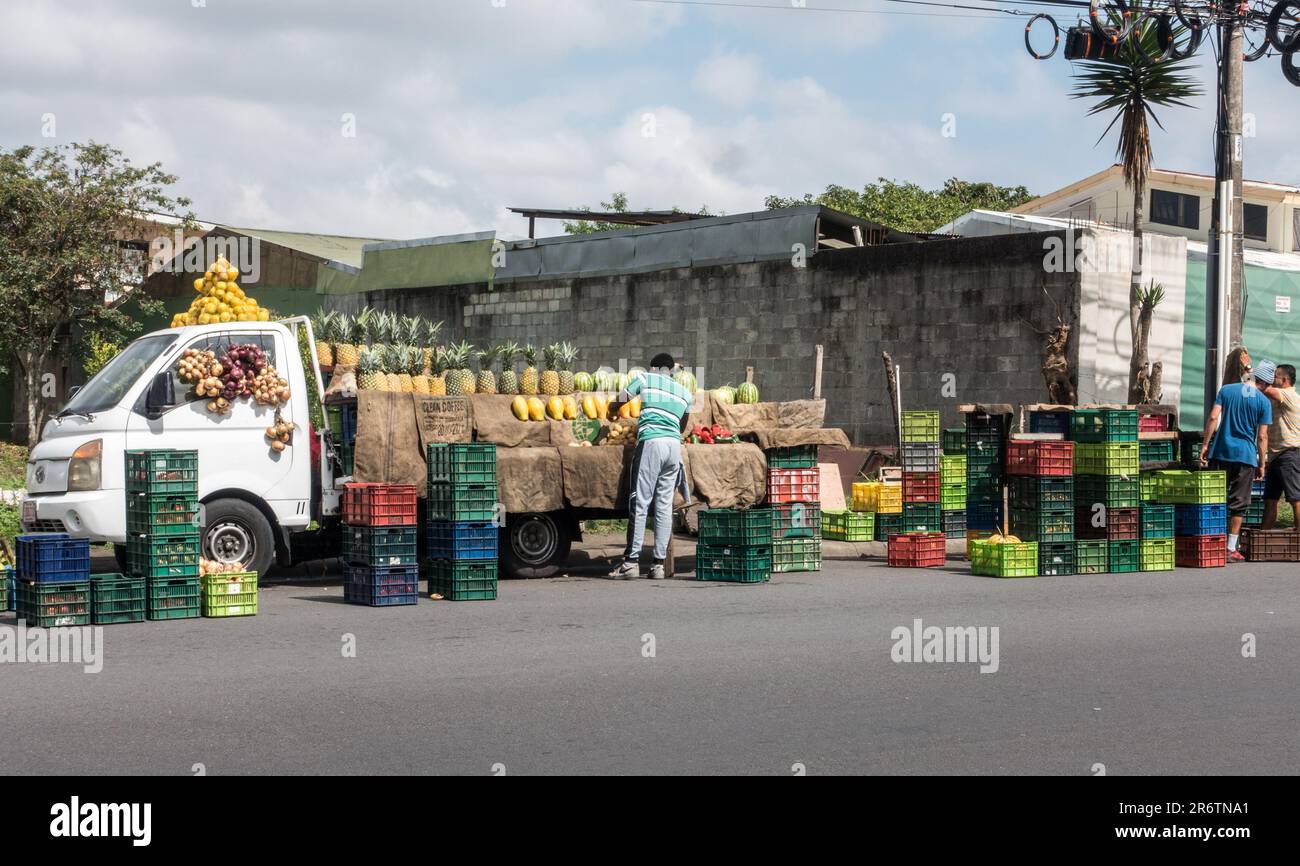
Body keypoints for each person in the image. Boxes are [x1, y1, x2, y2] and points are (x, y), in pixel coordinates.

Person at [607, 354, 693, 580]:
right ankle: (657, 566)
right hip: (674, 448)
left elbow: (620, 400)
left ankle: (631, 563)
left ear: (654, 368)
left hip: (651, 443)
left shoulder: (646, 379)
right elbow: (682, 427)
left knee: (640, 501)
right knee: (664, 505)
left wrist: (611, 410)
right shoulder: (685, 393)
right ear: (670, 370)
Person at [1201, 357, 1272, 561]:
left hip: (1220, 452)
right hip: (1246, 457)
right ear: (1265, 383)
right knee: (1239, 503)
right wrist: (1262, 463)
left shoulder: (1227, 390)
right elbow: (1262, 436)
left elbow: (1213, 417)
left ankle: (1210, 541)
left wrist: (1206, 445)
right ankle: (1230, 548)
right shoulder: (1263, 402)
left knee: (1213, 498)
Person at [1258, 361, 1300, 529]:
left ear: (1284, 380)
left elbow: (1263, 388)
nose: (1271, 379)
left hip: (1289, 454)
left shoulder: (1288, 395)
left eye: (1274, 376)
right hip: (1276, 456)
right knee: (1270, 500)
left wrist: (1248, 370)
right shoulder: (1277, 398)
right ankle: (1263, 540)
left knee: (1295, 499)